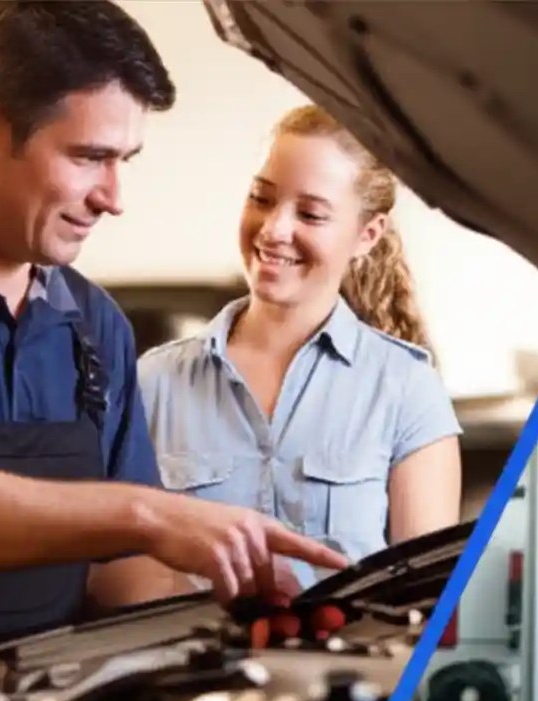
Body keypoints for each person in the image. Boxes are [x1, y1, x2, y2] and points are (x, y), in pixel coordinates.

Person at [0, 1, 348, 668]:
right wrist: (148, 515)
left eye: (123, 160)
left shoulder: (94, 323)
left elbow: (117, 570)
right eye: (89, 157)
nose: (113, 196)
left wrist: (222, 602)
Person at [138, 105, 463, 590]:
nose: (273, 229)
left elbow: (424, 593)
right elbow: (122, 577)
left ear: (367, 235)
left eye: (310, 214)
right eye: (261, 198)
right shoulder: (154, 383)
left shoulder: (408, 389)